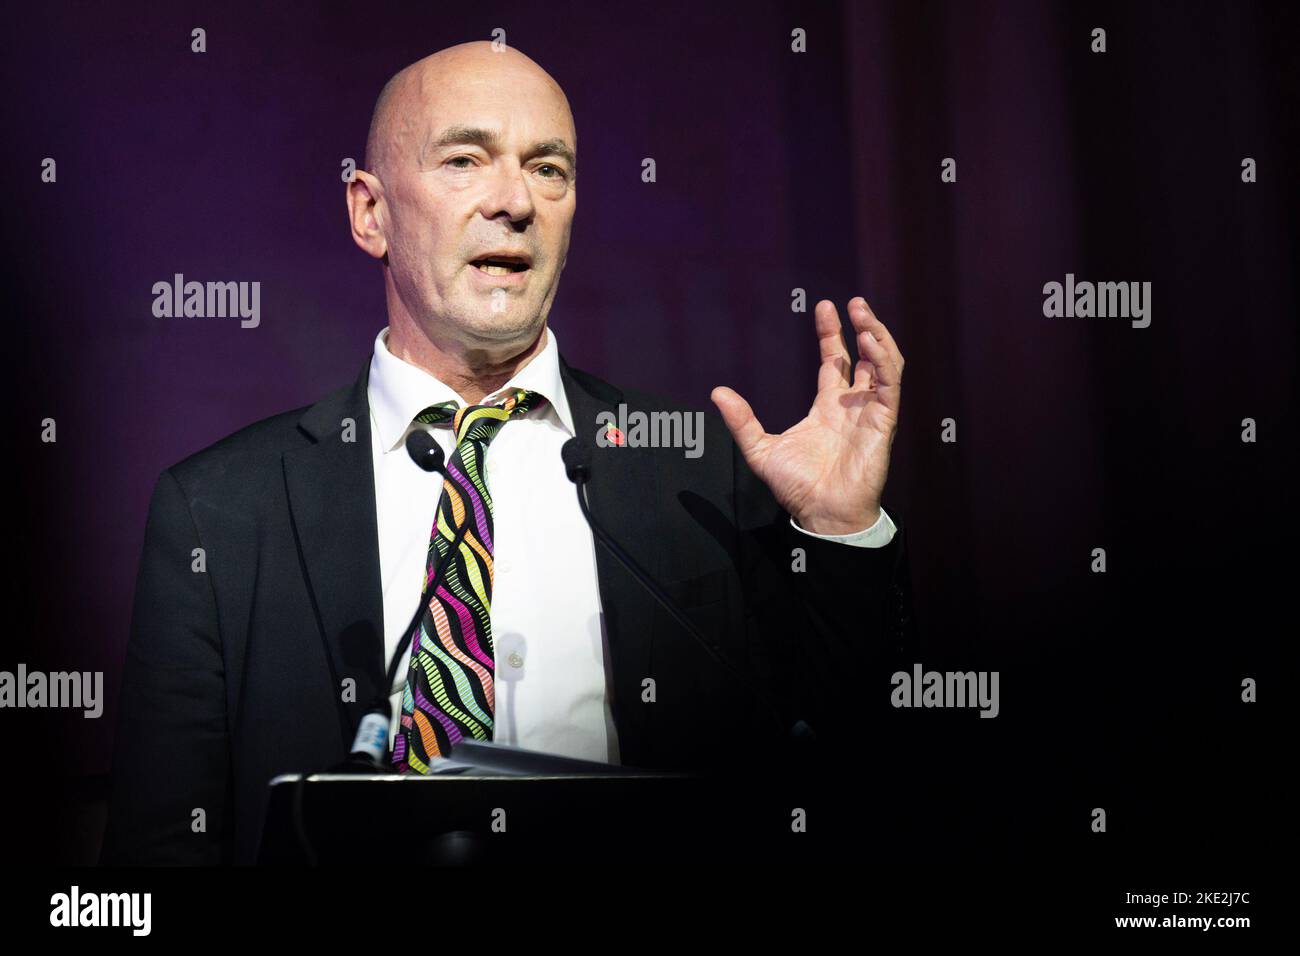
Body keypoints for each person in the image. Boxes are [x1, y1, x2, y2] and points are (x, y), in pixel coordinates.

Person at [100, 41, 914, 865]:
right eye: (465, 160)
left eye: (548, 170)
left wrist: (841, 535)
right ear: (369, 213)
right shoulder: (221, 512)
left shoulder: (698, 472)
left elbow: (861, 771)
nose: (516, 201)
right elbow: (155, 856)